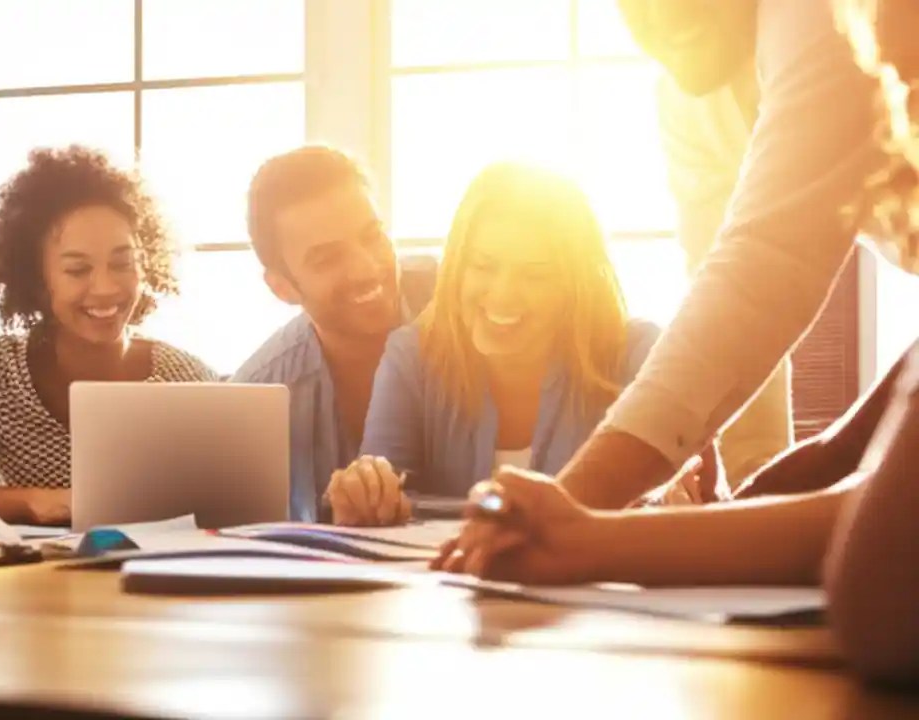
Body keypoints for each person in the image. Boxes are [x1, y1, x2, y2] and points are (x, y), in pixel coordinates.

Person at [437, 0, 919, 686]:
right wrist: (722, 516)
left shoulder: (825, 16)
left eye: (903, 89)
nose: (894, 130)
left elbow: (766, 269)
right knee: (798, 481)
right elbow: (728, 294)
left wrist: (583, 530)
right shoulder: (693, 100)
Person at [328, 164, 659, 527]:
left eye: (535, 275)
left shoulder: (638, 355)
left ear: (576, 287)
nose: (502, 295)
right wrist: (364, 495)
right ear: (456, 267)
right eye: (483, 266)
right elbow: (381, 493)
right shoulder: (411, 357)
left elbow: (679, 498)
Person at [0, 145, 218, 525]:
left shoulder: (187, 379)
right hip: (23, 579)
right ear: (37, 279)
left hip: (148, 575)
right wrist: (37, 502)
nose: (106, 288)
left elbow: (223, 509)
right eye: (78, 270)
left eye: (122, 263)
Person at [635, 0, 794, 485]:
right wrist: (757, 470)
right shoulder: (688, 101)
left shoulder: (836, 33)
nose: (659, 16)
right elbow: (735, 288)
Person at [232, 146, 436, 522]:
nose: (366, 268)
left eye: (372, 236)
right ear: (283, 288)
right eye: (327, 259)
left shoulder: (466, 305)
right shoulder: (261, 394)